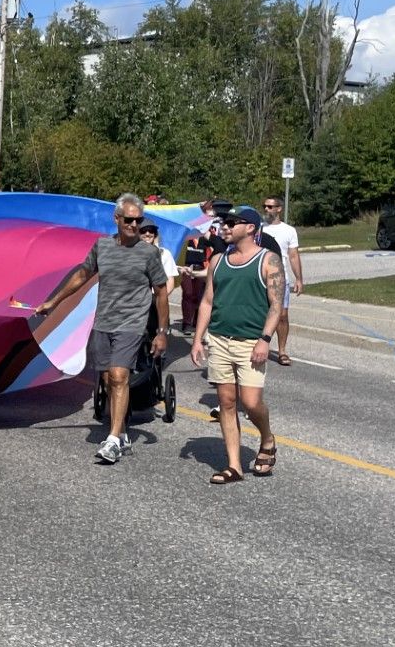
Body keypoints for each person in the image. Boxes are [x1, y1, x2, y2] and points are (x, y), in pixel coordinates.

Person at [31, 193, 169, 465]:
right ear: (116, 219)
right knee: (108, 379)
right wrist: (53, 302)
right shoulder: (102, 247)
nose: (134, 225)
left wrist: (162, 331)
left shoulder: (149, 254)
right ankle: (124, 430)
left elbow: (161, 292)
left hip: (132, 323)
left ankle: (114, 438)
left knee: (119, 376)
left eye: (138, 220)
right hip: (104, 321)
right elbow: (83, 274)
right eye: (128, 219)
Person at [191, 206, 284, 484]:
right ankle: (234, 466)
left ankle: (267, 439)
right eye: (224, 222)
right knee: (227, 402)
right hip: (220, 339)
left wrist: (265, 340)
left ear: (251, 228)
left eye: (233, 223)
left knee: (251, 402)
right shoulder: (219, 260)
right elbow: (207, 301)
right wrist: (198, 339)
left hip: (251, 342)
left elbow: (276, 305)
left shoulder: (269, 260)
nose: (226, 227)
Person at [258, 196, 304, 366]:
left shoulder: (289, 230)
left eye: (270, 207)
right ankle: (259, 345)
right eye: (264, 206)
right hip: (260, 276)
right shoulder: (258, 228)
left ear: (279, 208)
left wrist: (299, 278)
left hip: (280, 278)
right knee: (261, 313)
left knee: (282, 315)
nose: (266, 210)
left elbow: (293, 255)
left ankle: (282, 351)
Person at [177, 202, 224, 334]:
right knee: (188, 294)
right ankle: (186, 323)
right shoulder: (186, 234)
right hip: (185, 267)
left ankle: (196, 322)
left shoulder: (206, 236)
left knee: (198, 296)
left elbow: (213, 249)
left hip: (200, 266)